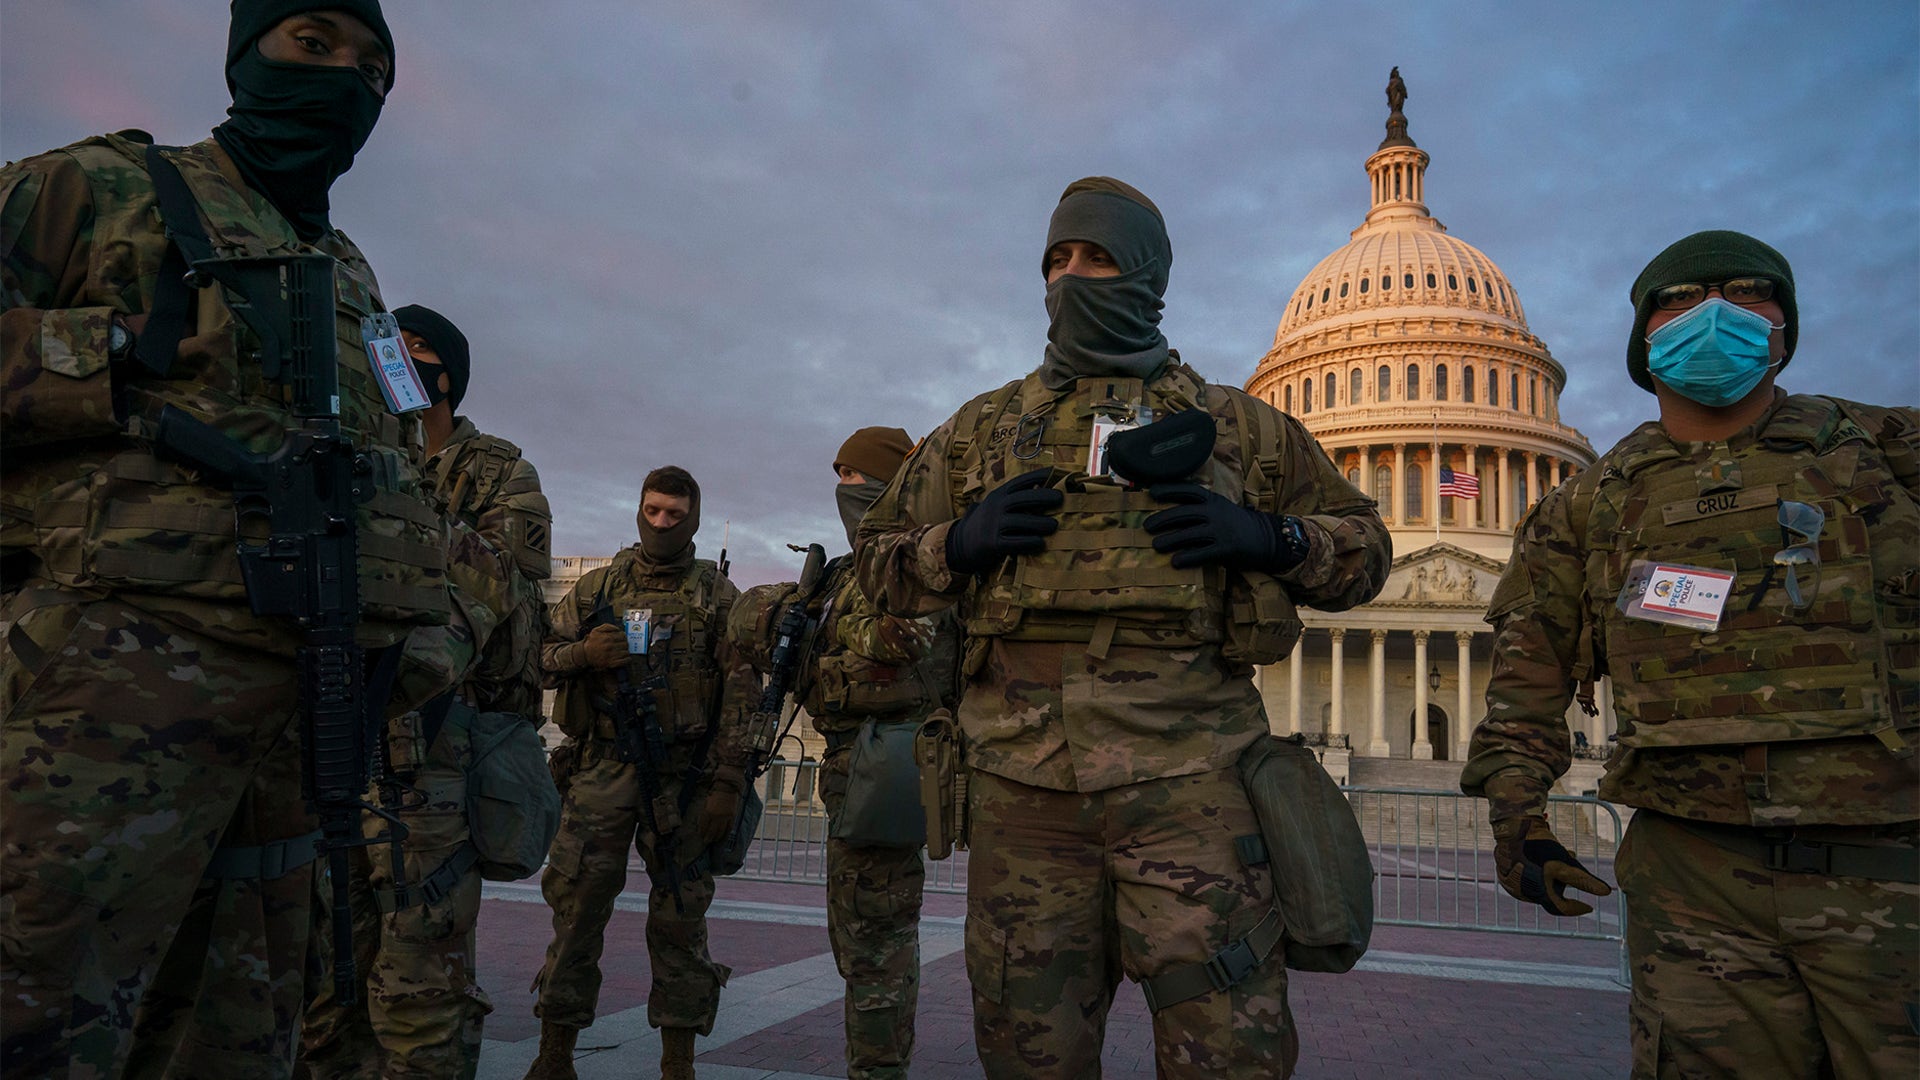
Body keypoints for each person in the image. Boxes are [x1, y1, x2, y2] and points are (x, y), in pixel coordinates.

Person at [0, 3, 488, 1076]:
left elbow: (390, 471)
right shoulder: (105, 190)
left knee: (240, 1041)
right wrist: (117, 350)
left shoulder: (350, 277)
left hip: (297, 728)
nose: (345, 81)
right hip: (99, 718)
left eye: (374, 70)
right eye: (312, 44)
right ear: (245, 53)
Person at [854, 177, 1391, 1078]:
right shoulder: (982, 433)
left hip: (1196, 791)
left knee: (1230, 1052)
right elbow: (876, 559)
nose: (1071, 277)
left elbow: (1366, 552)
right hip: (1023, 799)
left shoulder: (1239, 431)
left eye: (1096, 256)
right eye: (1055, 260)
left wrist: (1271, 537)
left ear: (1146, 273)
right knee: (1031, 1055)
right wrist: (956, 545)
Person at [1462, 230, 1918, 1078]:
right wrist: (1517, 816)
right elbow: (1527, 671)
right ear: (1643, 336)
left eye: (1747, 290)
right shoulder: (1589, 503)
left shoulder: (1890, 452)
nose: (1713, 313)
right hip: (1693, 871)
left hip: (1890, 856)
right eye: (1679, 298)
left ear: (1786, 323)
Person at [298, 304, 553, 1078]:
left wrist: (392, 670)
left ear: (447, 371)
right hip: (332, 749)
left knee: (418, 993)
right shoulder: (341, 452)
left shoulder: (496, 469)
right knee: (324, 988)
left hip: (430, 758)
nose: (397, 362)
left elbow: (494, 580)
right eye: (388, 348)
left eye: (416, 350)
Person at [730, 426, 959, 1079]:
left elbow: (900, 640)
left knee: (877, 950)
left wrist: (825, 626)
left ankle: (878, 1069)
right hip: (850, 775)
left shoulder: (928, 562)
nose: (845, 487)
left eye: (857, 474)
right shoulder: (839, 575)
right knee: (859, 945)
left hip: (892, 773)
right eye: (838, 473)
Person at [526, 466, 744, 1080]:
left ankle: (678, 1063)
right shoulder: (596, 589)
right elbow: (535, 657)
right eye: (652, 511)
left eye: (675, 514)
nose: (662, 524)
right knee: (575, 912)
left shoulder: (717, 597)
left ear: (694, 518)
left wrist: (728, 782)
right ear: (638, 511)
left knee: (680, 920)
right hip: (599, 772)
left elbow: (741, 694)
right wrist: (582, 655)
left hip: (683, 776)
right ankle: (554, 1056)